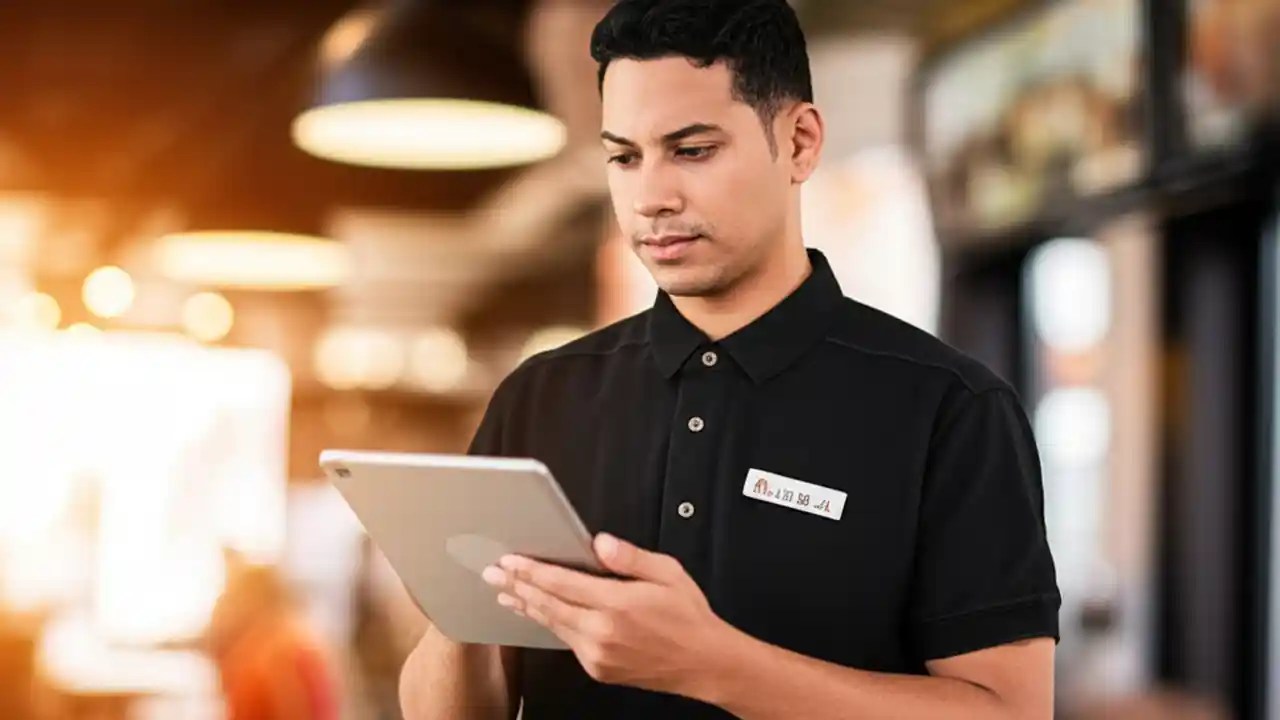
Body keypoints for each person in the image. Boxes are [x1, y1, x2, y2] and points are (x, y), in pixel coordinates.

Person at [400, 1, 1060, 717]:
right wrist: (459, 612)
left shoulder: (950, 410)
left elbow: (1009, 713)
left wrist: (712, 664)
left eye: (692, 150)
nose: (651, 197)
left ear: (801, 143)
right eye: (624, 156)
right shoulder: (540, 396)